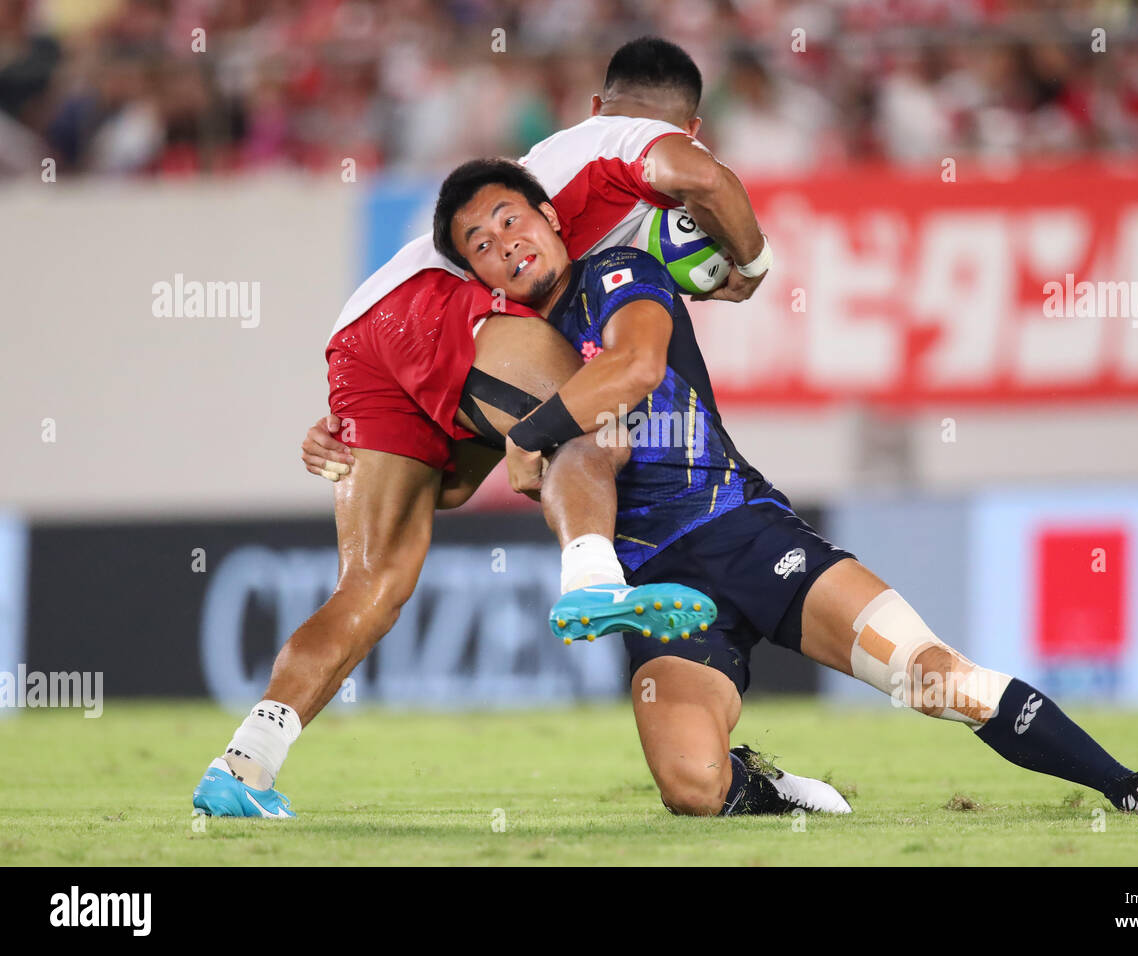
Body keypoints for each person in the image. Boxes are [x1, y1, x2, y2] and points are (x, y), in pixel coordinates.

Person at [315, 156, 1138, 819]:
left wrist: (535, 435)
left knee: (930, 679)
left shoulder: (616, 273)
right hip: (658, 587)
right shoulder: (504, 361)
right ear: (478, 275)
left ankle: (1128, 784)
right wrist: (351, 443)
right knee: (693, 788)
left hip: (742, 531)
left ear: (550, 218)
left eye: (511, 219)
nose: (504, 243)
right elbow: (450, 486)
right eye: (481, 244)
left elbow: (635, 366)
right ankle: (762, 786)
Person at [193, 37, 825, 819]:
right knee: (598, 409)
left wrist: (353, 443)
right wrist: (753, 268)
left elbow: (453, 485)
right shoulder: (627, 141)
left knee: (373, 583)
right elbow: (706, 180)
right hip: (442, 303)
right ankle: (593, 579)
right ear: (688, 125)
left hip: (364, 326)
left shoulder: (580, 231)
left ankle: (245, 765)